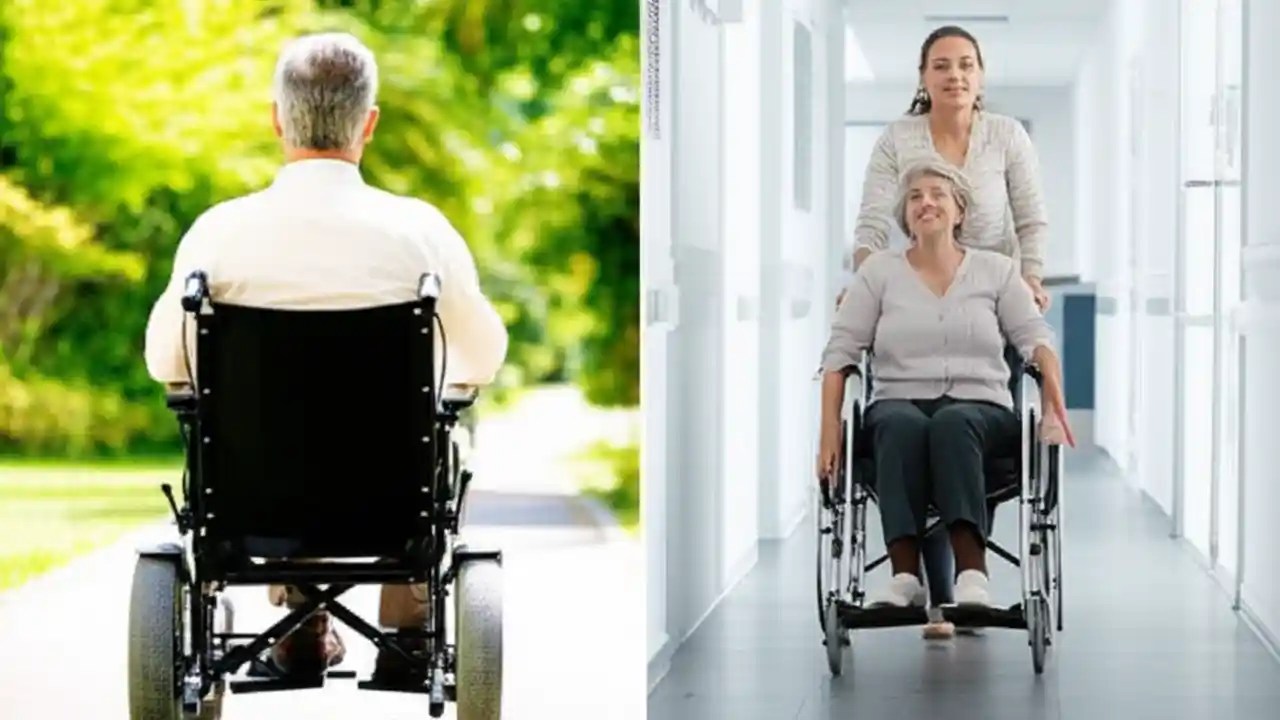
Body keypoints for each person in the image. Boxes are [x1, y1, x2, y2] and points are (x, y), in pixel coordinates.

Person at [142, 32, 509, 678]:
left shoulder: (219, 233)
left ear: (277, 119)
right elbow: (480, 359)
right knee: (447, 437)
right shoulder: (420, 232)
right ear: (368, 123)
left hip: (254, 499)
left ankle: (302, 628)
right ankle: (412, 633)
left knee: (277, 436)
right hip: (392, 501)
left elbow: (166, 363)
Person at [843, 25, 1054, 638]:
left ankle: (968, 579)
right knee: (908, 420)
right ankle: (932, 594)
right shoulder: (897, 140)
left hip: (990, 299)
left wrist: (1031, 276)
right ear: (923, 77)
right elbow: (871, 225)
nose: (954, 75)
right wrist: (872, 282)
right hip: (913, 288)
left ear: (980, 75)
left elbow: (1031, 218)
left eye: (966, 64)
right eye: (941, 65)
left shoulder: (1006, 136)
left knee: (969, 423)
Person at [816, 160, 1072, 613]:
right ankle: (904, 577)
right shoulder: (878, 273)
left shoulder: (996, 270)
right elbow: (840, 352)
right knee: (898, 425)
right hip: (897, 399)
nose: (925, 203)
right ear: (904, 215)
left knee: (955, 422)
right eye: (915, 196)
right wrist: (829, 432)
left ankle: (972, 575)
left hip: (982, 408)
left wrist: (1052, 392)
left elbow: (1034, 337)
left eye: (937, 194)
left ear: (960, 211)